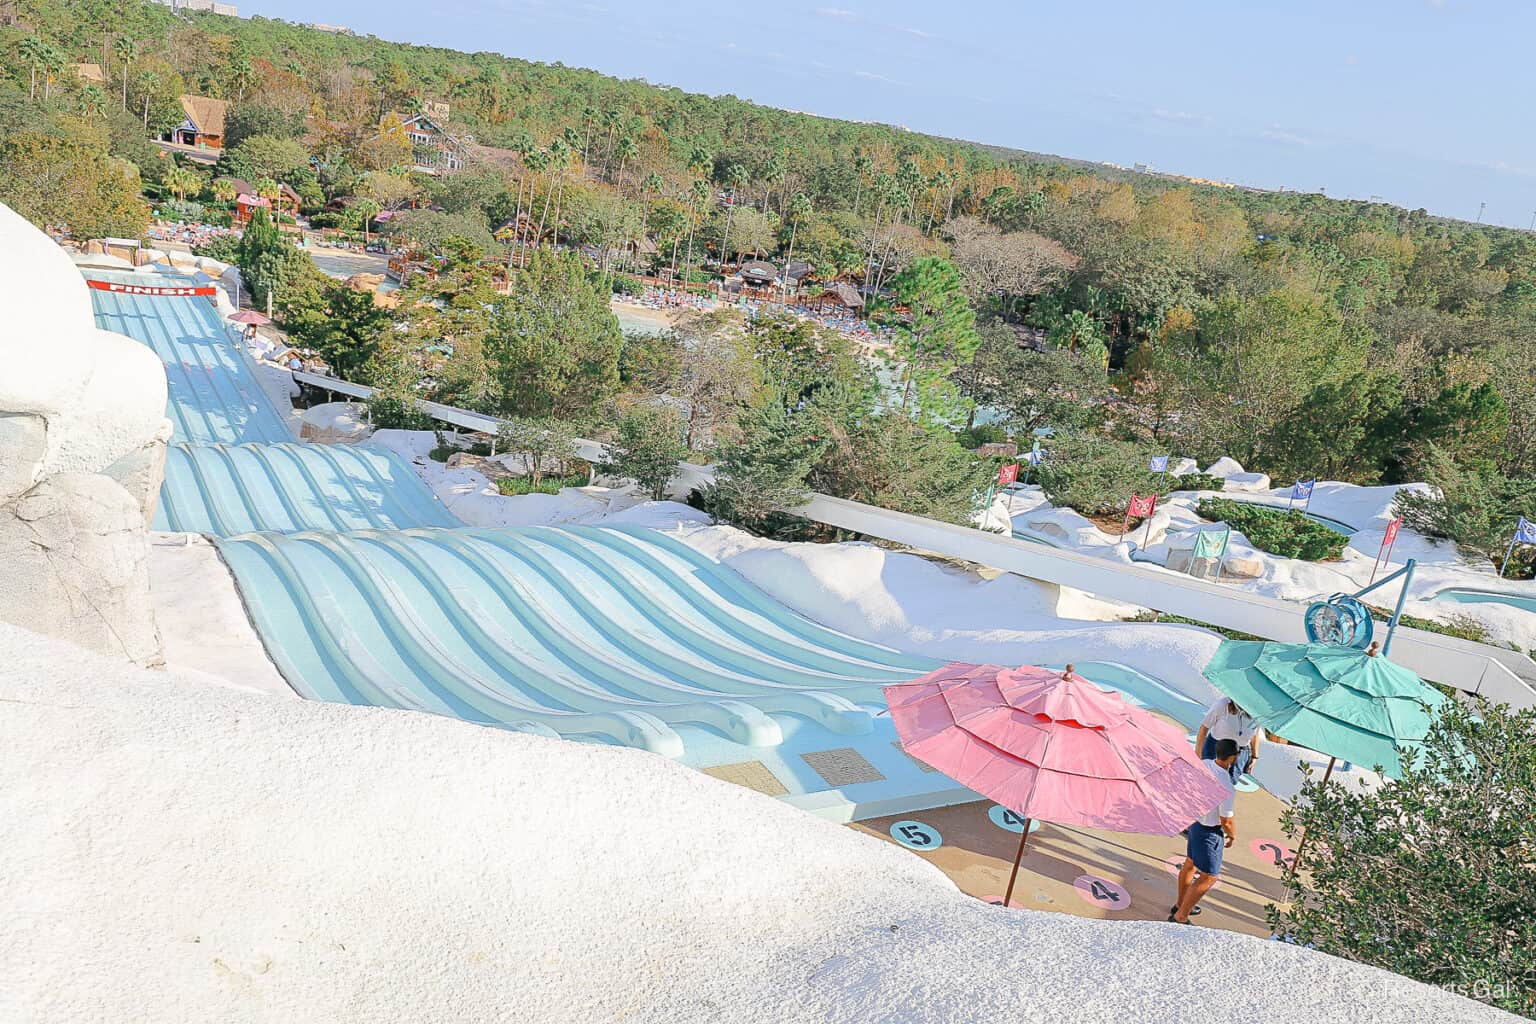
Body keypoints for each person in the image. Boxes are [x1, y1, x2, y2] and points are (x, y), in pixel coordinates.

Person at [1170, 738, 1239, 924]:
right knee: (1209, 876)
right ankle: (1181, 916)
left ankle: (1181, 904)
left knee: (1190, 864)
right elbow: (1226, 819)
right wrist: (1232, 835)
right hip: (1209, 831)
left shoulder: (1204, 765)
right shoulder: (1226, 785)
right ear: (1232, 758)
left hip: (1196, 823)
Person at [1195, 696, 1260, 778]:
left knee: (1228, 783)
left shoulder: (1258, 711)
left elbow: (1255, 733)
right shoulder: (1222, 704)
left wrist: (1255, 756)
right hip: (1216, 748)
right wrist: (1197, 755)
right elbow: (1204, 728)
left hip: (1240, 752)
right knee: (1205, 777)